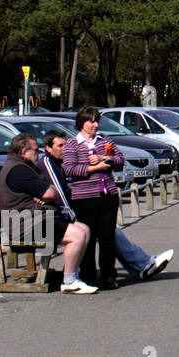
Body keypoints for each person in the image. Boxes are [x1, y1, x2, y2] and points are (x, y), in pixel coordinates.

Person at [40, 130, 172, 282]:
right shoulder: (48, 163)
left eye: (65, 145)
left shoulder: (60, 163)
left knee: (108, 229)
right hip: (55, 217)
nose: (65, 149)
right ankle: (139, 264)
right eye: (60, 145)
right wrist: (73, 216)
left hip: (68, 211)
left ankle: (140, 264)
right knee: (105, 230)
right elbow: (60, 194)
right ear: (48, 148)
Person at [0, 133, 98, 294]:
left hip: (32, 219)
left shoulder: (21, 167)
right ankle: (69, 281)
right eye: (36, 150)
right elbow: (49, 193)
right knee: (77, 235)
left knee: (84, 229)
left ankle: (73, 275)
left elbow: (46, 191)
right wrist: (51, 191)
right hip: (25, 226)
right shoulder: (19, 170)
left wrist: (48, 192)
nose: (39, 153)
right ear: (24, 152)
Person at [62, 106, 124, 290]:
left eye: (97, 121)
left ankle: (109, 276)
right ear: (82, 123)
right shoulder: (73, 144)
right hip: (84, 197)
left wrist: (105, 158)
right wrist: (94, 168)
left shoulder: (105, 140)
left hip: (107, 194)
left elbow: (120, 159)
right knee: (87, 237)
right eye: (91, 122)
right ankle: (88, 276)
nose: (95, 125)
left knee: (107, 237)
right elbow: (70, 169)